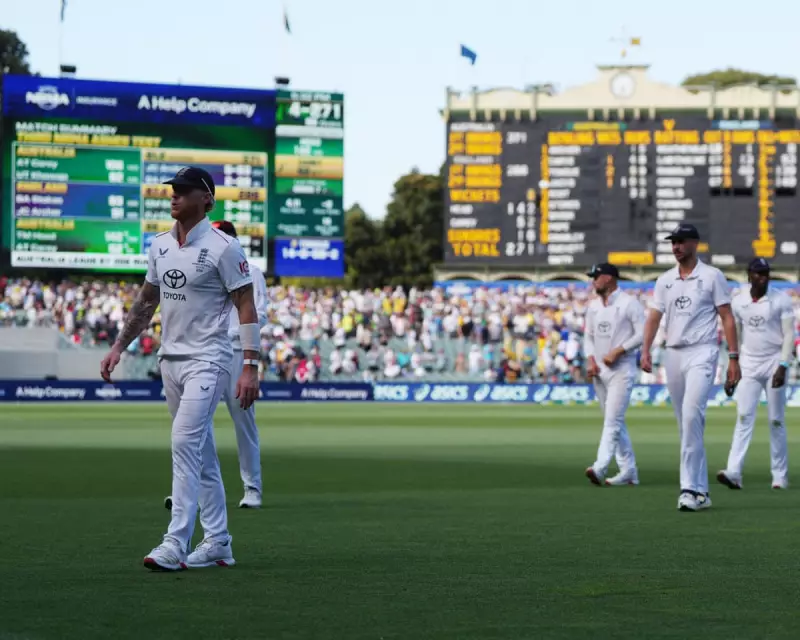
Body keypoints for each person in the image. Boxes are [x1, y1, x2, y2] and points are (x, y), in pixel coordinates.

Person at [101, 166, 261, 570]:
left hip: (209, 360)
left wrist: (249, 367)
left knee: (184, 443)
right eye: (173, 190)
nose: (174, 196)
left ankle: (174, 542)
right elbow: (146, 301)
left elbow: (246, 306)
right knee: (202, 455)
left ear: (206, 199)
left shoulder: (226, 248)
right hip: (170, 360)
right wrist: (120, 344)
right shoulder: (159, 246)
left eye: (185, 190)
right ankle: (219, 542)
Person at [164, 220, 268, 510]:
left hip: (234, 351)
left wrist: (243, 349)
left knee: (243, 421)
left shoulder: (251, 272)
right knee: (192, 425)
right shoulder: (198, 267)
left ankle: (252, 488)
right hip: (202, 352)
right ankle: (188, 490)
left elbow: (259, 314)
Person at [641, 223, 741, 512]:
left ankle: (689, 489)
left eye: (681, 241)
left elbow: (727, 317)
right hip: (673, 353)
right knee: (687, 425)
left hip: (703, 351)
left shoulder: (712, 276)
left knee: (690, 416)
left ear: (695, 243)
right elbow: (653, 318)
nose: (676, 247)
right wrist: (646, 350)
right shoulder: (664, 280)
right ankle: (703, 492)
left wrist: (733, 358)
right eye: (673, 242)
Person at [717, 258, 794, 490]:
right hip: (749, 363)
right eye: (758, 274)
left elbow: (789, 335)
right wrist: (731, 369)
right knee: (743, 417)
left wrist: (783, 365)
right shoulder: (739, 301)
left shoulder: (780, 299)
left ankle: (779, 475)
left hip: (773, 362)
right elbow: (735, 338)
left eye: (766, 273)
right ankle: (734, 472)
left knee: (776, 420)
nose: (763, 278)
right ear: (749, 275)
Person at [583, 263, 643, 487]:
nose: (593, 281)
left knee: (612, 421)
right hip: (599, 371)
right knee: (615, 422)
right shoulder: (593, 306)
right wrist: (590, 359)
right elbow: (588, 336)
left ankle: (600, 467)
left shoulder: (629, 303)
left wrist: (619, 350)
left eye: (596, 277)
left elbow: (641, 335)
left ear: (609, 278)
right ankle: (629, 471)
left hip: (622, 369)